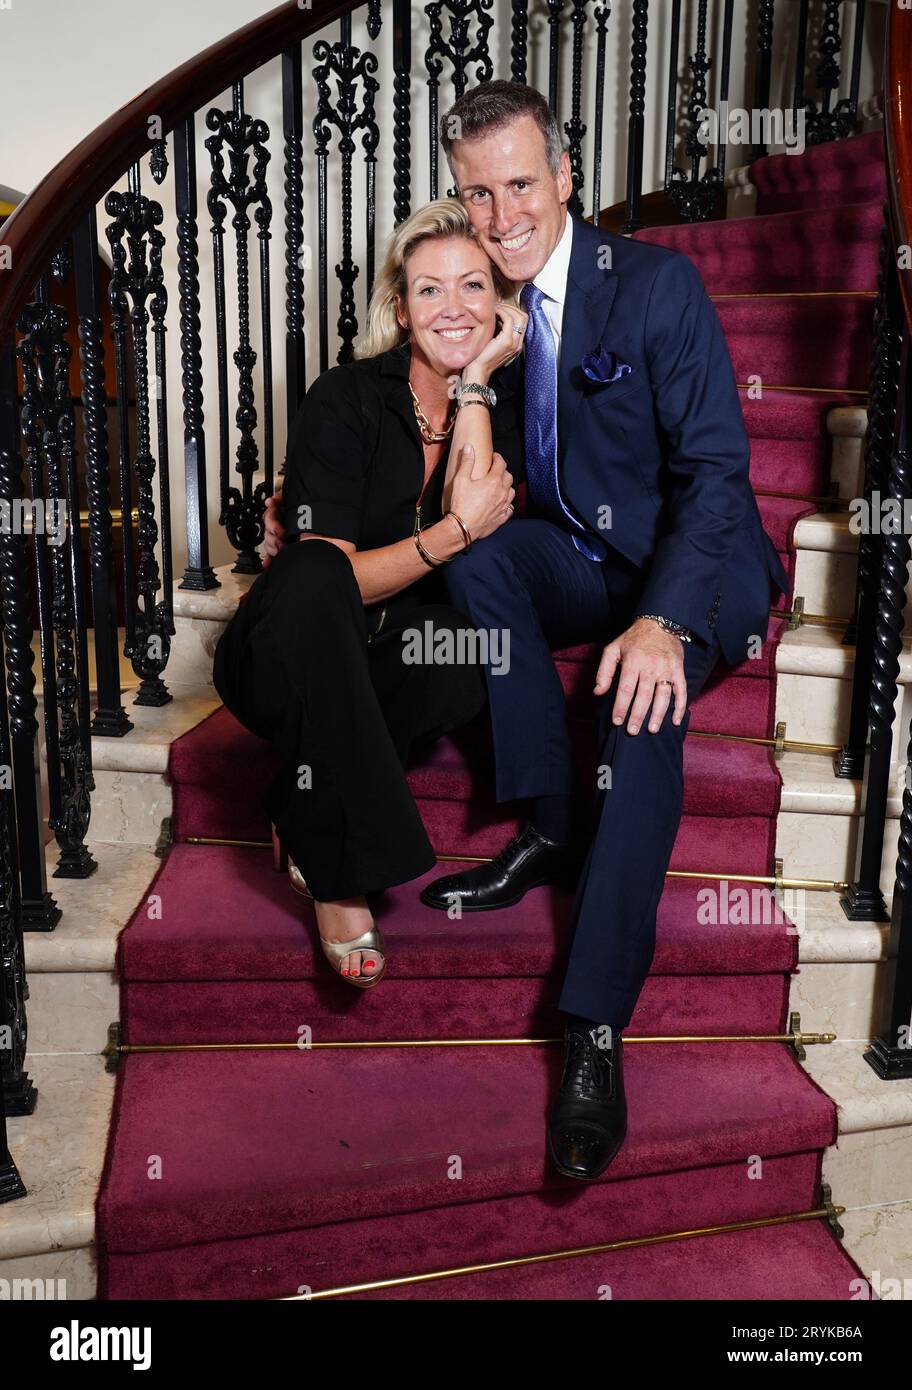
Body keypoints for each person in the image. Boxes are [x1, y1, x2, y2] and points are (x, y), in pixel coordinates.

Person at [413, 81, 790, 1179]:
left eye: (520, 184)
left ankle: (591, 1024)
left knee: (639, 709)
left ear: (565, 179)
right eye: (477, 194)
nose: (500, 215)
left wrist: (667, 620)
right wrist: (482, 368)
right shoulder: (493, 301)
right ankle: (550, 821)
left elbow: (718, 473)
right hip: (585, 553)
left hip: (700, 563)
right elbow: (467, 502)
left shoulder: (658, 285)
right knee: (477, 556)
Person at [214, 198, 525, 989]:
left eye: (473, 288)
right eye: (429, 290)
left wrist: (479, 379)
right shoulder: (346, 396)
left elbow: (488, 499)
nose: (454, 309)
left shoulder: (508, 412)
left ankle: (301, 799)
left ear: (501, 304)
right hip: (287, 653)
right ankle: (340, 874)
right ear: (399, 307)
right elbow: (330, 582)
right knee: (316, 571)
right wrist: (452, 534)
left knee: (459, 652)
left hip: (383, 662)